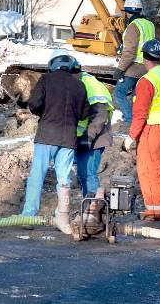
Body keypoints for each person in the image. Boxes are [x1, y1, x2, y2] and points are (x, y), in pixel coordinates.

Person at [21, 51, 89, 234]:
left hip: (46, 136)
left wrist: (46, 112)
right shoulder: (80, 85)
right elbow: (84, 113)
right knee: (64, 179)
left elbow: (34, 104)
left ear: (53, 65)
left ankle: (29, 215)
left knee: (37, 175)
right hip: (68, 138)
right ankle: (63, 216)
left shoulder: (45, 80)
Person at [125, 39, 160, 221]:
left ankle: (155, 212)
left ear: (144, 58)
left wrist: (131, 136)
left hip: (154, 129)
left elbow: (140, 113)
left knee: (150, 170)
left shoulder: (147, 81)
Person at [74, 64, 114, 205]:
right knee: (82, 174)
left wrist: (88, 136)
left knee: (88, 173)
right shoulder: (78, 81)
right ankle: (89, 207)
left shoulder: (89, 83)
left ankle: (93, 211)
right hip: (83, 137)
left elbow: (100, 114)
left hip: (95, 137)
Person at [114, 0, 156, 125]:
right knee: (135, 96)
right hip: (148, 67)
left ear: (127, 12)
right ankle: (138, 119)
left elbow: (129, 52)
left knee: (119, 93)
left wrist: (120, 69)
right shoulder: (149, 24)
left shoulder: (133, 26)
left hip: (134, 68)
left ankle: (129, 120)